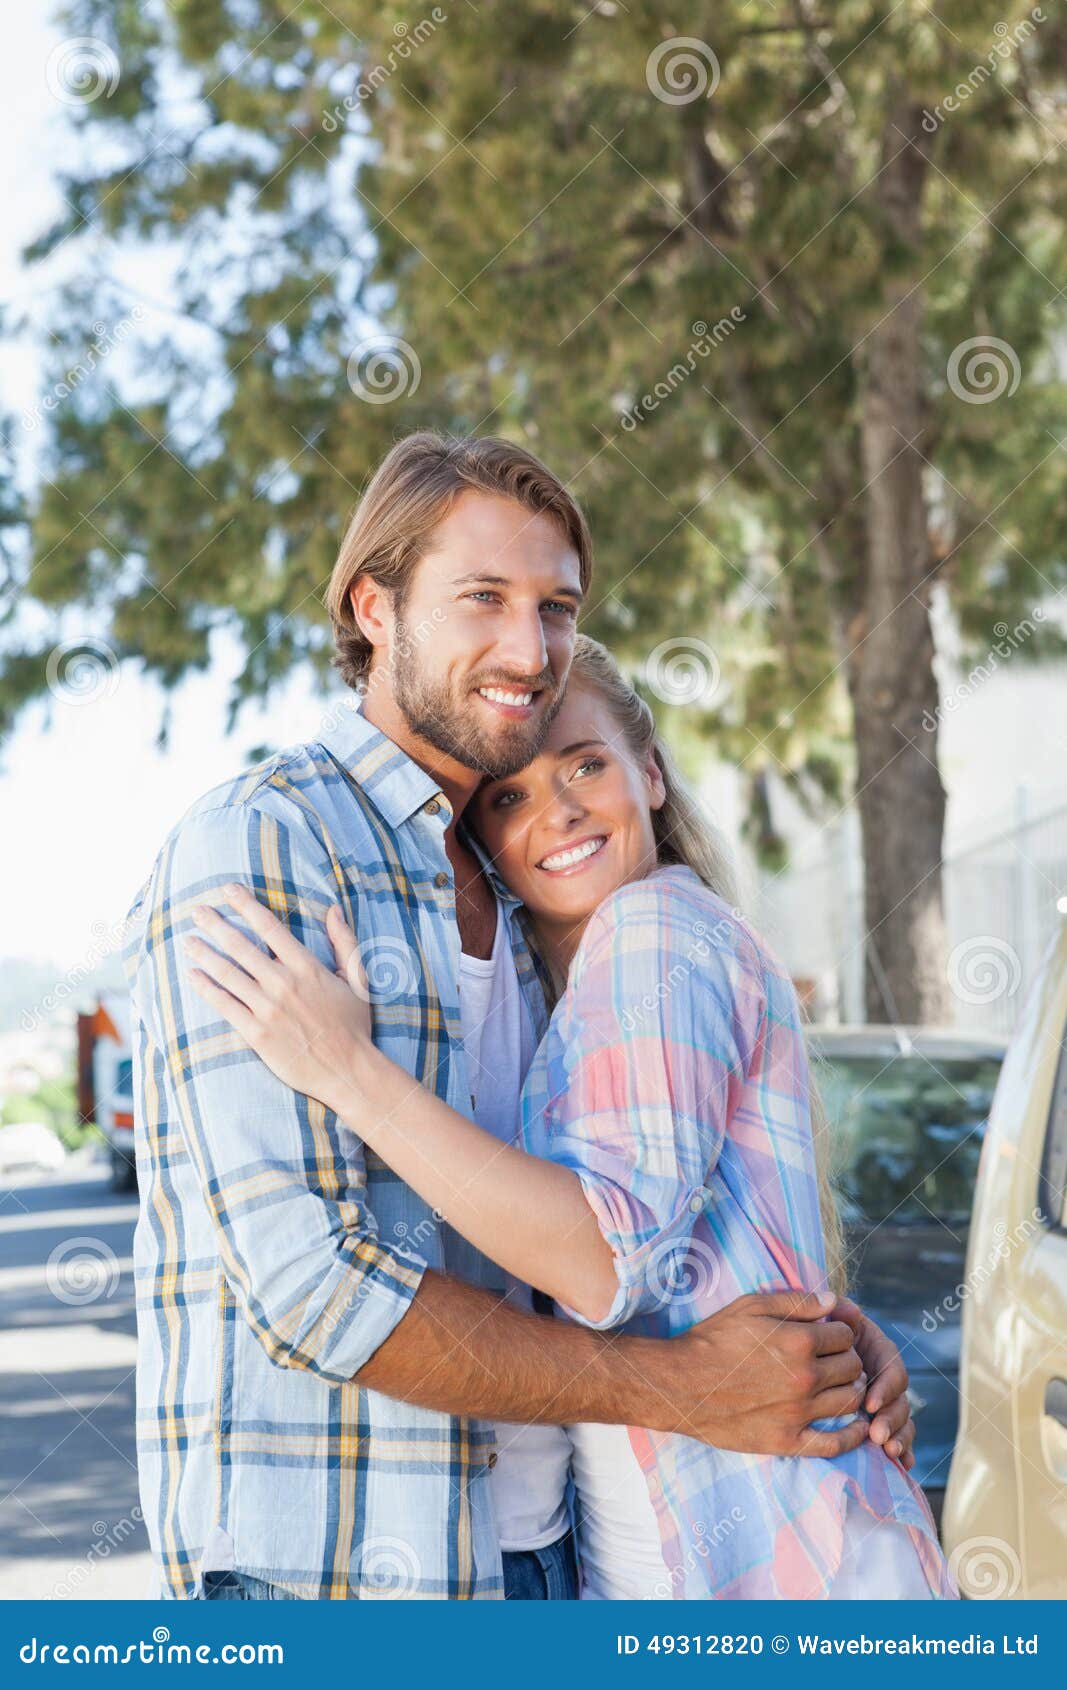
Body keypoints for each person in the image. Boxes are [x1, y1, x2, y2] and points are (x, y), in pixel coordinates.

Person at [129, 431, 916, 1601]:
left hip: (545, 1554)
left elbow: (629, 1196)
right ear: (375, 608)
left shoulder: (532, 890)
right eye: (483, 597)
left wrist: (824, 1338)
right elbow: (312, 1290)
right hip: (336, 1579)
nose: (528, 646)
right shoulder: (264, 842)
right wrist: (683, 1384)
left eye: (556, 607)